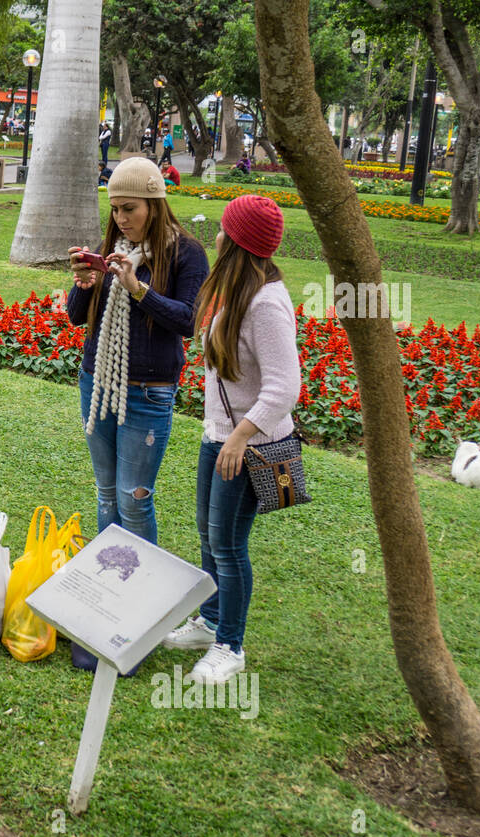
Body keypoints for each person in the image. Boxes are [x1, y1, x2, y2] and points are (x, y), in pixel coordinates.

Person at [65, 156, 210, 673]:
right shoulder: (115, 250)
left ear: (155, 203)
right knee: (106, 495)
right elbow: (77, 318)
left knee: (133, 500)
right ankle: (105, 606)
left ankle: (138, 616)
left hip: (149, 391)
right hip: (97, 381)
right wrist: (84, 284)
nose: (121, 219)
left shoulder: (188, 254)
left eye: (130, 209)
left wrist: (138, 288)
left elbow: (188, 320)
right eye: (116, 210)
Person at [162, 195, 299, 684]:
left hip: (251, 445)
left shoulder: (265, 303)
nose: (216, 235)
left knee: (228, 545)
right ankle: (211, 621)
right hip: (220, 436)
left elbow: (286, 387)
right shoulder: (240, 290)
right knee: (207, 533)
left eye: (223, 229)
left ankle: (230, 646)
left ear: (237, 242)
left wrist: (240, 438)